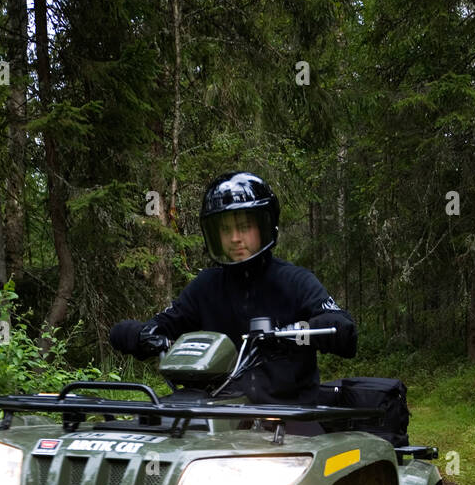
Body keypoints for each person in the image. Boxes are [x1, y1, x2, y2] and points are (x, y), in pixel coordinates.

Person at [108, 171, 357, 406]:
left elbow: (342, 329)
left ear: (264, 226)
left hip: (289, 414)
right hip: (220, 416)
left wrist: (296, 333)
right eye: (226, 229)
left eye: (244, 226)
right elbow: (163, 324)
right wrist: (142, 335)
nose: (235, 238)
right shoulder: (205, 287)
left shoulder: (295, 281)